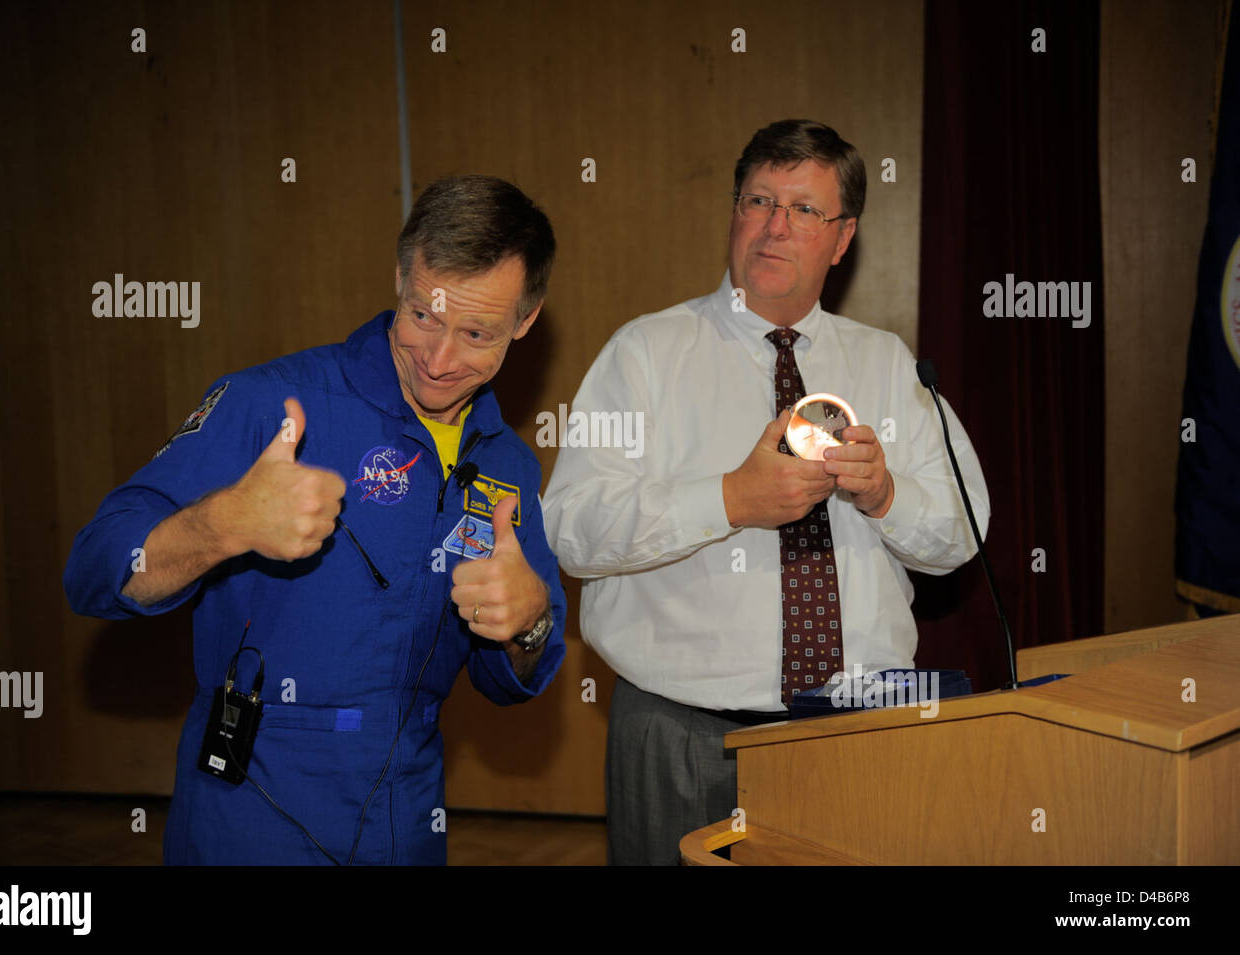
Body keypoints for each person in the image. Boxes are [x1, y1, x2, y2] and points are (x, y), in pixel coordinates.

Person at [64, 176, 566, 865]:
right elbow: (93, 568)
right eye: (422, 315)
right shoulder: (271, 403)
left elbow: (520, 677)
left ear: (526, 319)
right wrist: (223, 524)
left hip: (408, 818)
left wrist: (530, 619)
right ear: (399, 275)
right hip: (251, 810)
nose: (439, 359)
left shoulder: (508, 464)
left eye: (476, 332)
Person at [542, 119, 989, 865]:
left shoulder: (886, 363)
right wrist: (728, 500)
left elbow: (964, 532)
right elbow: (572, 528)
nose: (774, 227)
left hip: (855, 729)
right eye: (758, 201)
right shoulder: (645, 354)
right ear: (734, 214)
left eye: (804, 209)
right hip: (682, 735)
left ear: (843, 238)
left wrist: (884, 494)